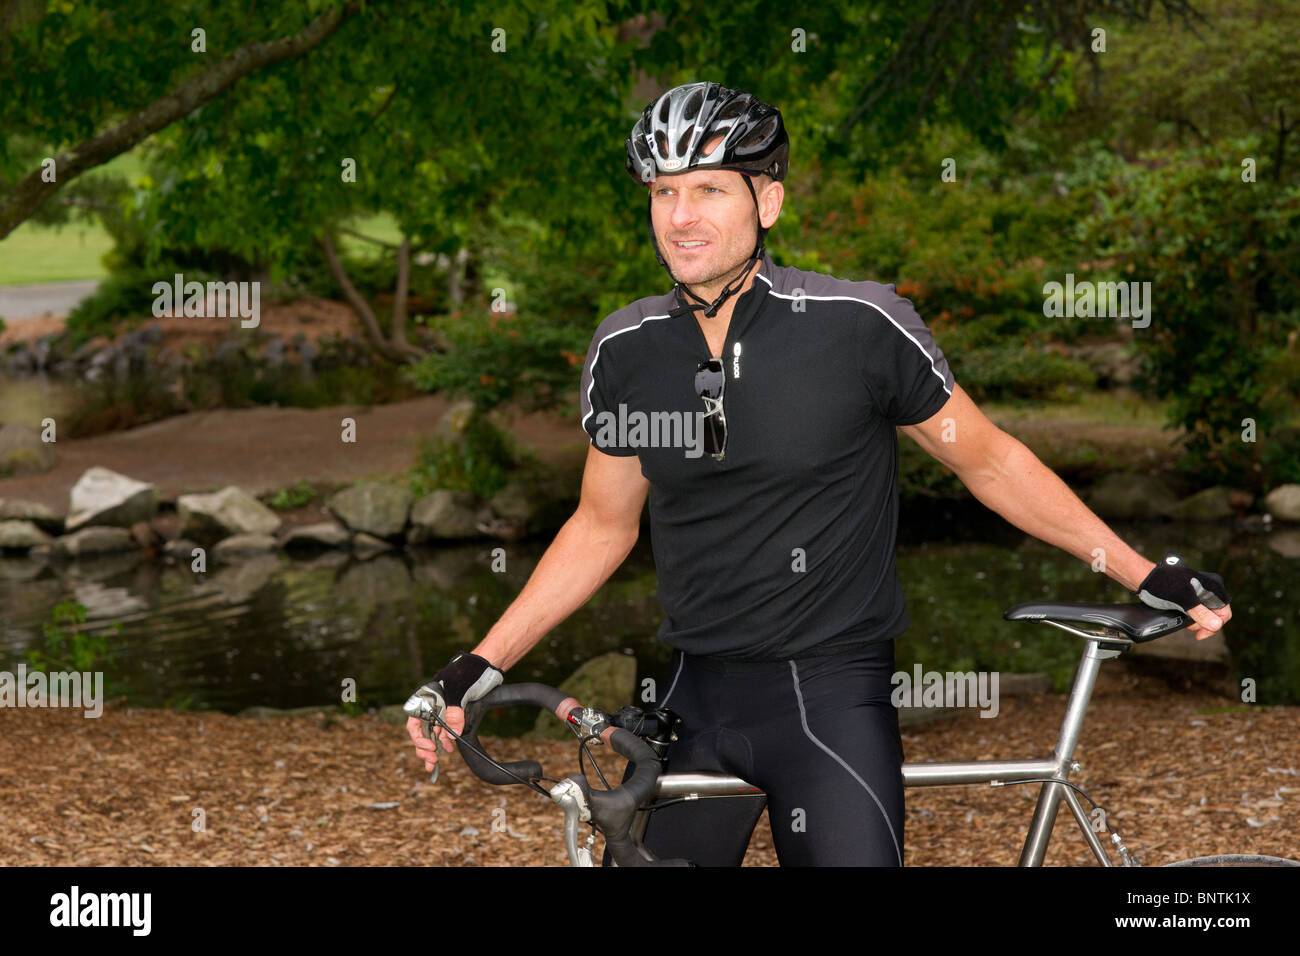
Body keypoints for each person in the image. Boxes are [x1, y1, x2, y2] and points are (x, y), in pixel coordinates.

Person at [406, 81, 1232, 866]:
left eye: (709, 190)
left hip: (834, 696)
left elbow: (988, 460)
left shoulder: (857, 325)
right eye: (663, 193)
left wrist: (1146, 572)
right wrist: (479, 665)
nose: (681, 217)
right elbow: (602, 524)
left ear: (767, 201)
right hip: (697, 692)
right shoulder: (627, 350)